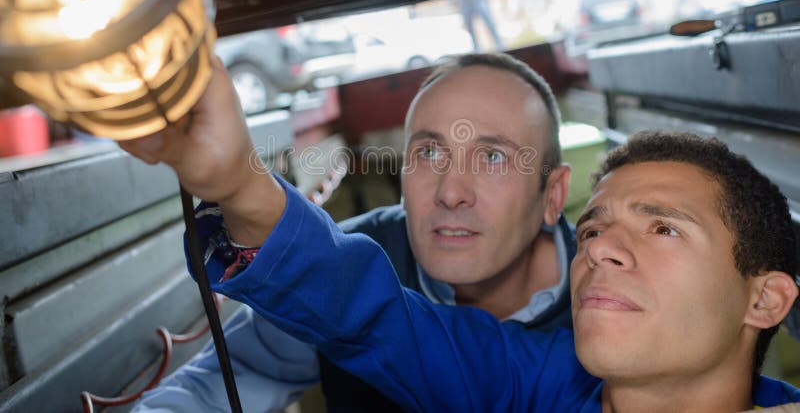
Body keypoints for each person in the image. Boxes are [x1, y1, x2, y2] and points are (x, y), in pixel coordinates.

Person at [123, 60, 800, 411]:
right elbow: (366, 312)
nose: (598, 247)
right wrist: (240, 187)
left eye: (662, 227)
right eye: (427, 153)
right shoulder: (529, 377)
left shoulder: (556, 364)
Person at [131, 52, 573, 411]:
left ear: (553, 196)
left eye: (492, 158)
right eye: (428, 153)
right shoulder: (351, 252)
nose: (451, 192)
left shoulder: (602, 292)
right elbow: (213, 387)